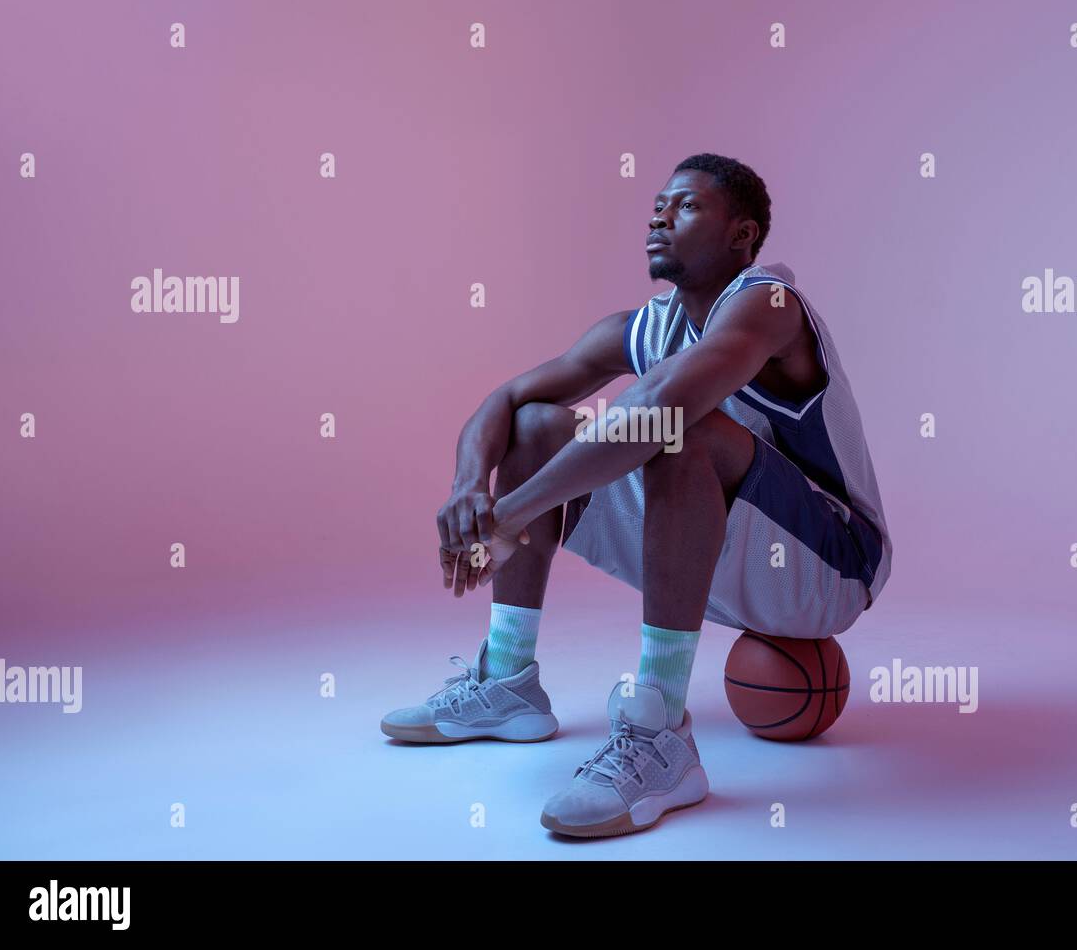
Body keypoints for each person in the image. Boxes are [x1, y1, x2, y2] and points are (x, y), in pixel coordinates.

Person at [381, 153, 892, 837]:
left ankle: (661, 737)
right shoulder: (643, 327)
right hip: (717, 547)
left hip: (828, 567)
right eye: (657, 204)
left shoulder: (769, 304)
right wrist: (470, 487)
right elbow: (506, 399)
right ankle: (507, 683)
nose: (658, 215)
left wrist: (512, 514)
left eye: (685, 205)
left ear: (742, 235)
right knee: (537, 425)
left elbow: (664, 405)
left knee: (680, 430)